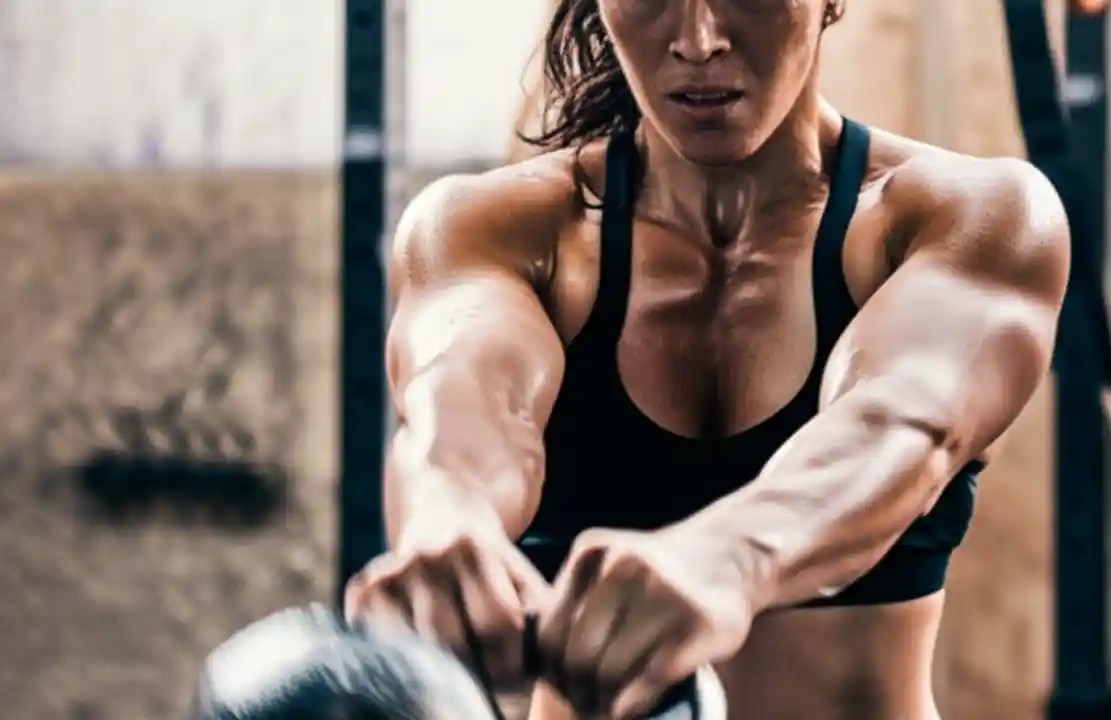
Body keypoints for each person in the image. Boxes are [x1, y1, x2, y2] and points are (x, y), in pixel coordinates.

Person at [344, 0, 1069, 718]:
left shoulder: (975, 216)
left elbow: (904, 424)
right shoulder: (497, 228)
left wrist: (727, 557)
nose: (698, 40)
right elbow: (466, 409)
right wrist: (449, 519)